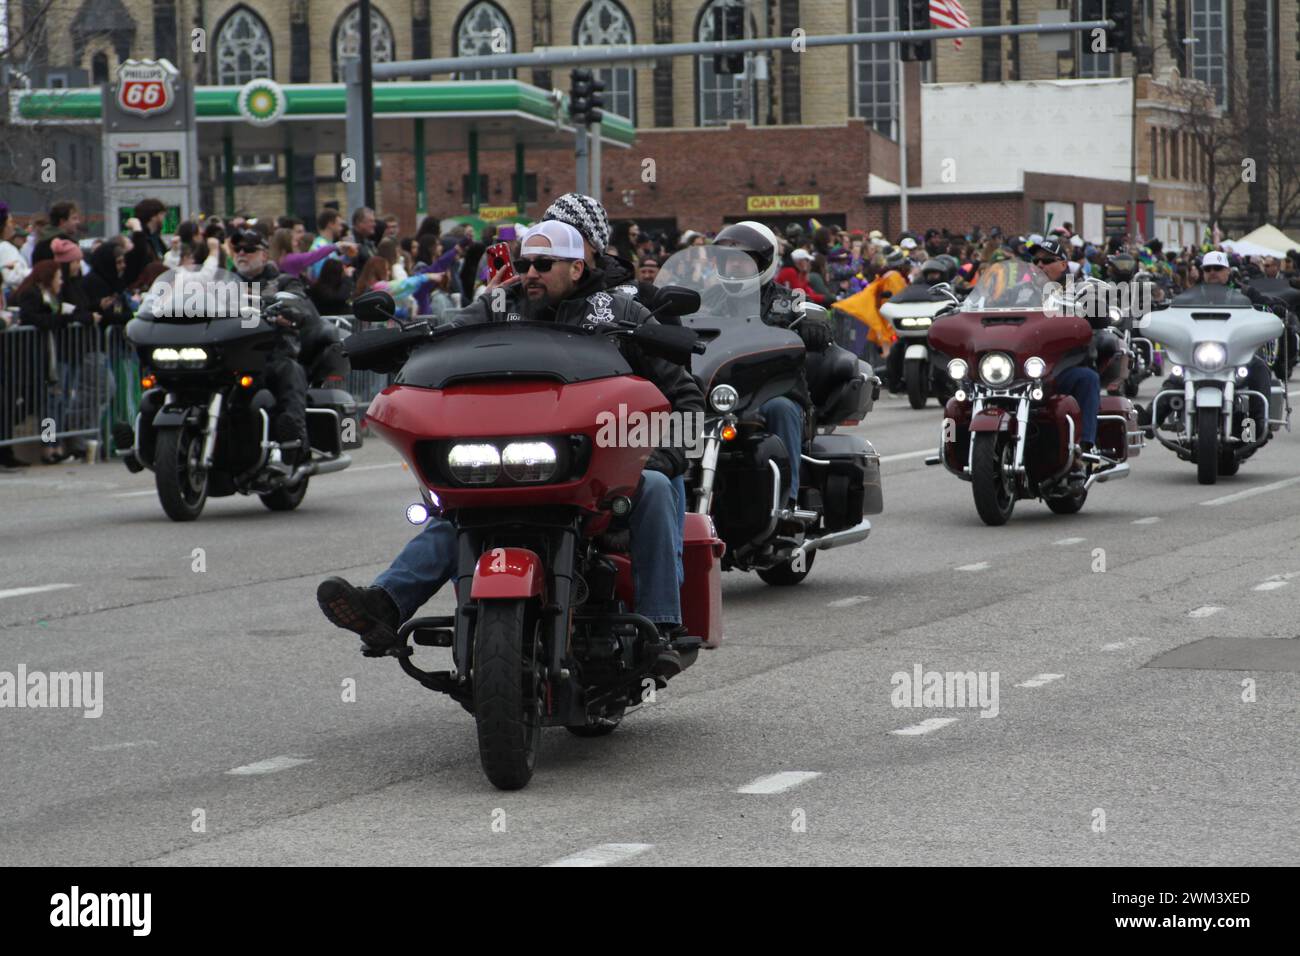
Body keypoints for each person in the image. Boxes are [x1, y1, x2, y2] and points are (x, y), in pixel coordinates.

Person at [318, 219, 704, 681]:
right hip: (509, 465)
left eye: (544, 264)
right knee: (452, 515)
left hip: (594, 477)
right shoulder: (498, 306)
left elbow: (686, 400)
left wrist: (655, 456)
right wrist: (400, 341)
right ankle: (383, 605)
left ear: (577, 267)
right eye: (524, 264)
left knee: (658, 485)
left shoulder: (620, 311)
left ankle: (661, 627)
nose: (530, 273)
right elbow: (443, 337)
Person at [713, 220, 833, 515]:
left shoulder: (787, 301)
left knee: (781, 409)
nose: (734, 267)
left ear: (762, 263)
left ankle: (786, 505)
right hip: (719, 392)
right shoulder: (707, 301)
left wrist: (815, 329)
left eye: (742, 261)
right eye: (729, 261)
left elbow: (816, 324)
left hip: (772, 390)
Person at [229, 231, 316, 463]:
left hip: (272, 352)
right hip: (230, 356)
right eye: (237, 249)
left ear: (264, 254)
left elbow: (300, 308)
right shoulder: (224, 283)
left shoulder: (283, 281)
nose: (241, 253)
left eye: (248, 249)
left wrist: (285, 310)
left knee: (289, 371)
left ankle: (293, 439)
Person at [1032, 238, 1103, 468]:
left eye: (1047, 260)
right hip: (1024, 369)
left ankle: (1085, 448)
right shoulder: (1021, 293)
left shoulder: (1078, 290)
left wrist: (1096, 308)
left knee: (1087, 379)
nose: (1040, 265)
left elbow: (1099, 315)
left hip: (1061, 369)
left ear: (1063, 264)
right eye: (1036, 261)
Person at [123, 198, 168, 286]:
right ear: (153, 216)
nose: (164, 219)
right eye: (162, 214)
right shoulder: (136, 239)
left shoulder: (156, 239)